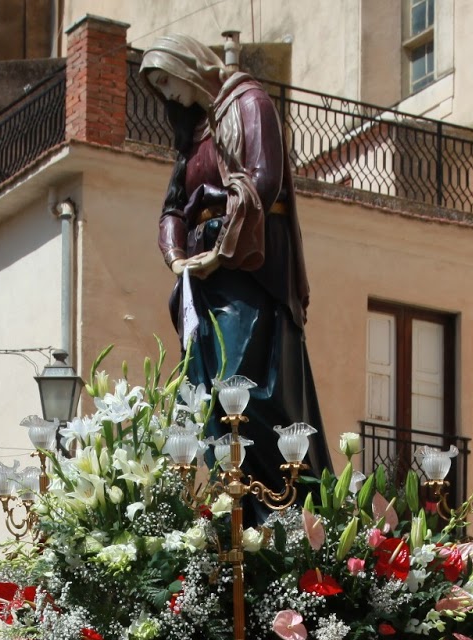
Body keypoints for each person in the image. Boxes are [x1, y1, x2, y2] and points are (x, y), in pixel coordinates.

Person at [139, 34, 329, 489]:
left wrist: (221, 248)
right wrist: (177, 256)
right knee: (204, 395)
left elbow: (264, 180)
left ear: (189, 65)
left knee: (243, 387)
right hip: (203, 280)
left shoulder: (250, 103)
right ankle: (235, 502)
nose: (169, 95)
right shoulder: (194, 135)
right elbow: (172, 208)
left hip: (248, 265)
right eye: (160, 88)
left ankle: (277, 500)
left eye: (169, 81)